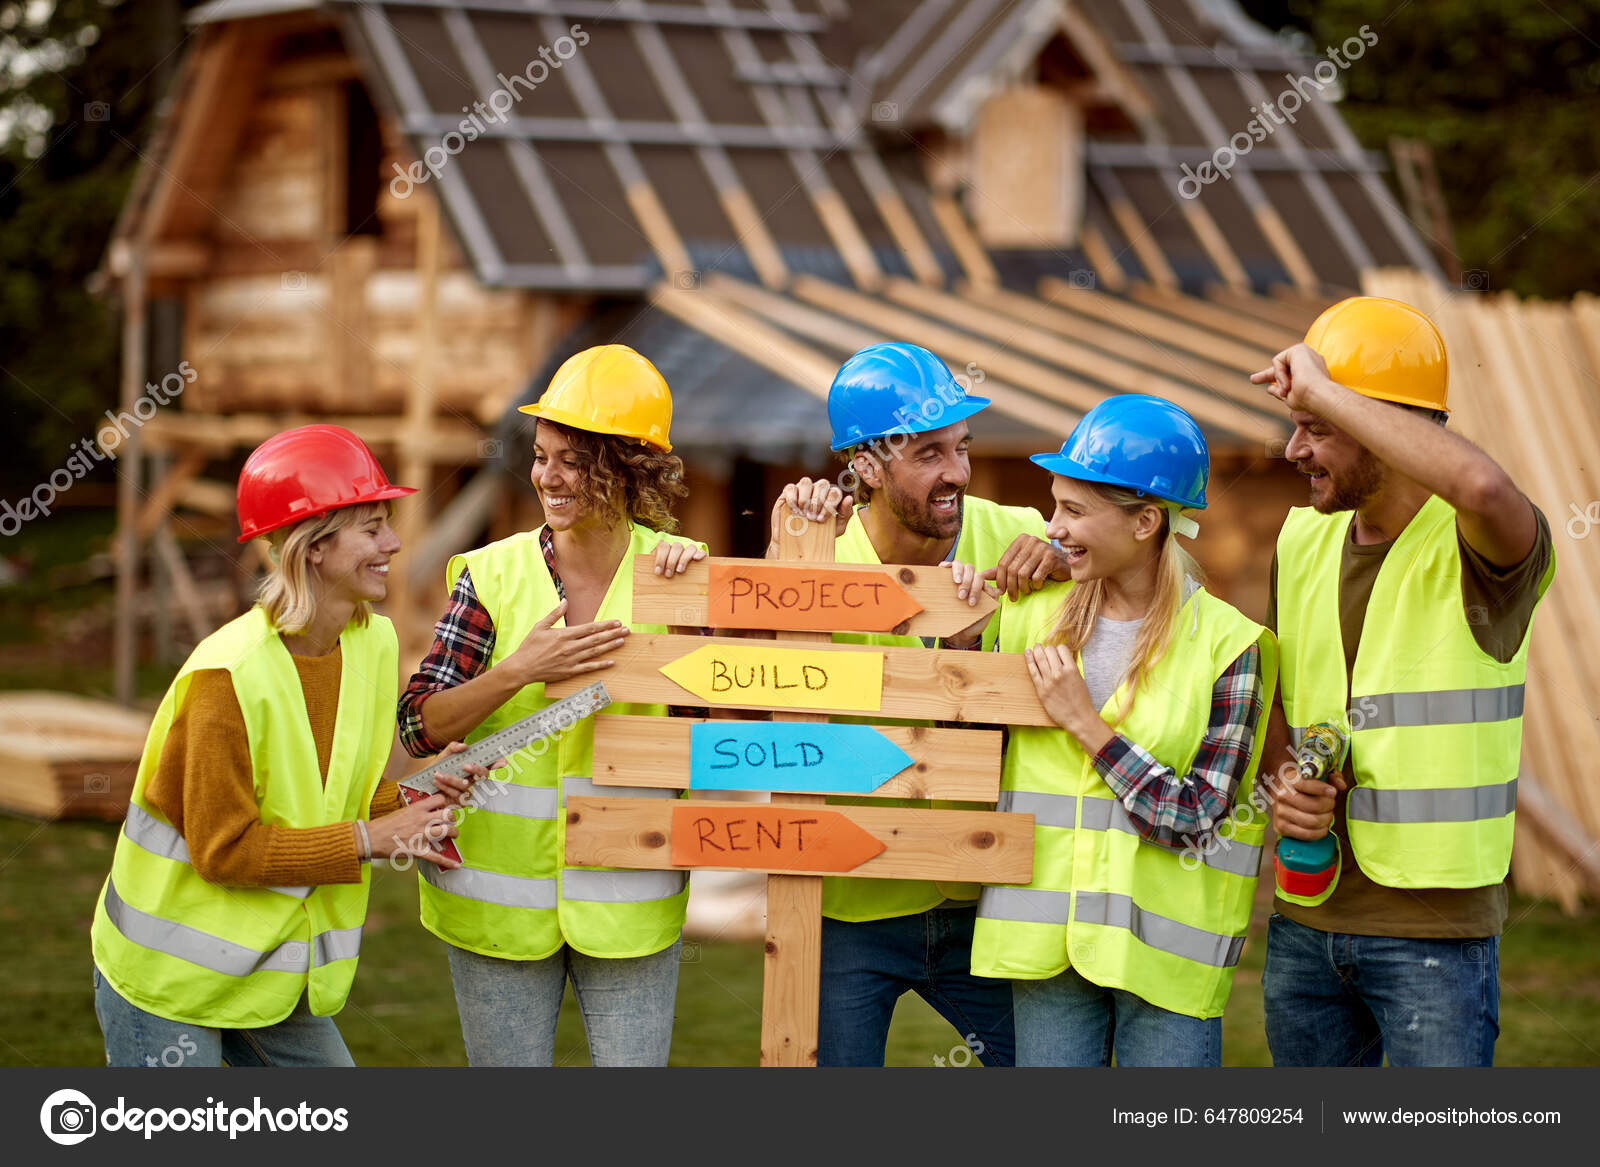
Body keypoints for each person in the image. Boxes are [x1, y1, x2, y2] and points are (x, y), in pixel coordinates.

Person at [90, 424, 482, 1067]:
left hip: (274, 975)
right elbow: (223, 849)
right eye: (372, 527)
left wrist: (408, 808)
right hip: (167, 986)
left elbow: (326, 795)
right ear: (316, 547)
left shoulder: (373, 644)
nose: (394, 542)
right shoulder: (228, 676)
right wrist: (370, 839)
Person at [1251, 296, 1553, 1067]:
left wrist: (1323, 389)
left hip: (1433, 941)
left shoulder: (1483, 542)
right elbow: (1284, 701)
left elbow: (1482, 487)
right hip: (1305, 920)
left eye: (1315, 427)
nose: (1294, 449)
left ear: (1384, 424)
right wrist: (1286, 779)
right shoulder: (1303, 538)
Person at [399, 344, 707, 1067]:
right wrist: (519, 671)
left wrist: (698, 610)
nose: (548, 475)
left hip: (631, 901)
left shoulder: (683, 577)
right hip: (495, 908)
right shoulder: (494, 575)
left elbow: (731, 730)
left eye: (573, 458)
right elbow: (419, 726)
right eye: (541, 455)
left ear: (626, 467)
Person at [772, 340, 1066, 1067]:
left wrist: (1071, 562)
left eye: (961, 448)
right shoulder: (817, 565)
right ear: (867, 465)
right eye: (930, 455)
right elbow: (751, 693)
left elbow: (1151, 585)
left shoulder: (1018, 537)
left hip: (985, 898)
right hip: (851, 904)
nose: (958, 473)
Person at [965, 395, 1277, 1067]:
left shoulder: (1231, 645)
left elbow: (1195, 816)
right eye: (1055, 506)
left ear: (1144, 521)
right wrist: (963, 601)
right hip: (1046, 949)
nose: (1054, 527)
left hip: (1166, 965)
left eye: (1074, 511)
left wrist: (1085, 721)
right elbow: (952, 732)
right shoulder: (1027, 615)